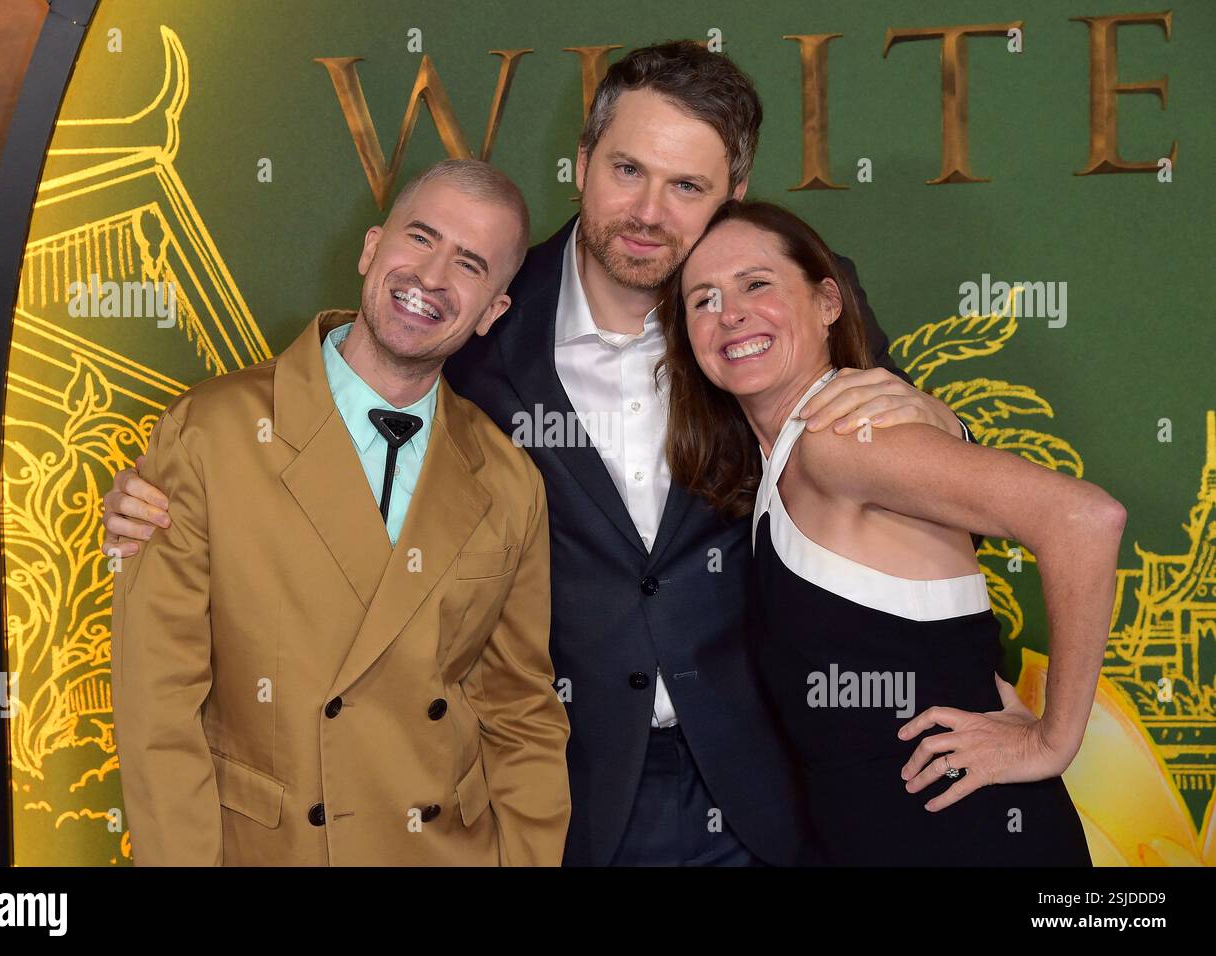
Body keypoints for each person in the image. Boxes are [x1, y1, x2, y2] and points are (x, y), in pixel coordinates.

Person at [104, 42, 969, 867]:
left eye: (687, 186)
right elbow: (335, 459)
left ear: (734, 192)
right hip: (572, 798)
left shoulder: (770, 308)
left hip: (763, 792)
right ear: (585, 158)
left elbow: (907, 479)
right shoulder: (479, 313)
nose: (647, 212)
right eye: (628, 170)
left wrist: (941, 424)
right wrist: (168, 504)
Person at [110, 159, 571, 866]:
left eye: (471, 265)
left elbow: (520, 710)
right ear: (370, 248)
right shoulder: (209, 432)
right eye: (421, 238)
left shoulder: (510, 481)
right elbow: (158, 706)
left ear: (492, 313)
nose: (432, 278)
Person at [659, 198, 1121, 865]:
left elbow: (1083, 519)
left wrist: (1052, 739)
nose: (728, 313)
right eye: (702, 299)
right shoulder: (787, 460)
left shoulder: (838, 443)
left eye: (756, 283)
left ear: (827, 303)